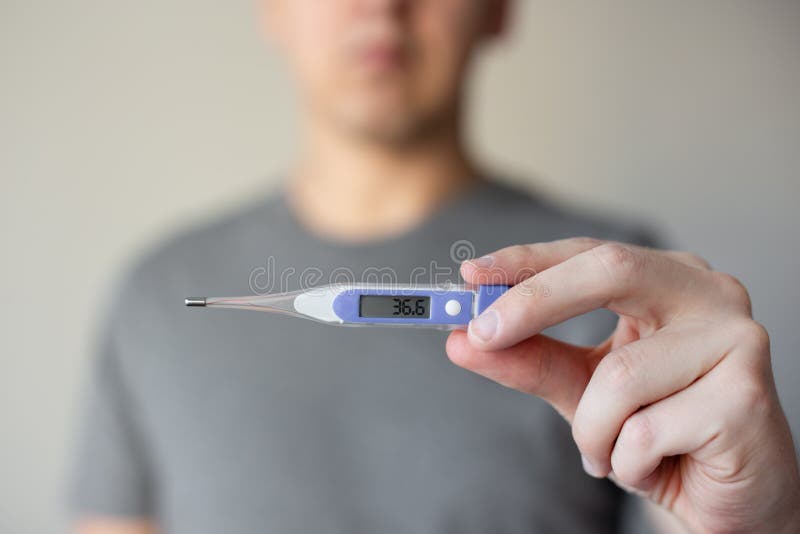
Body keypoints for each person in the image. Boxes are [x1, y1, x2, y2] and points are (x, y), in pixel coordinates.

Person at [70, 1, 800, 533]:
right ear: (271, 9)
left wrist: (755, 525)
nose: (383, 7)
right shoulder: (157, 296)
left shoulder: (621, 289)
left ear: (498, 12)